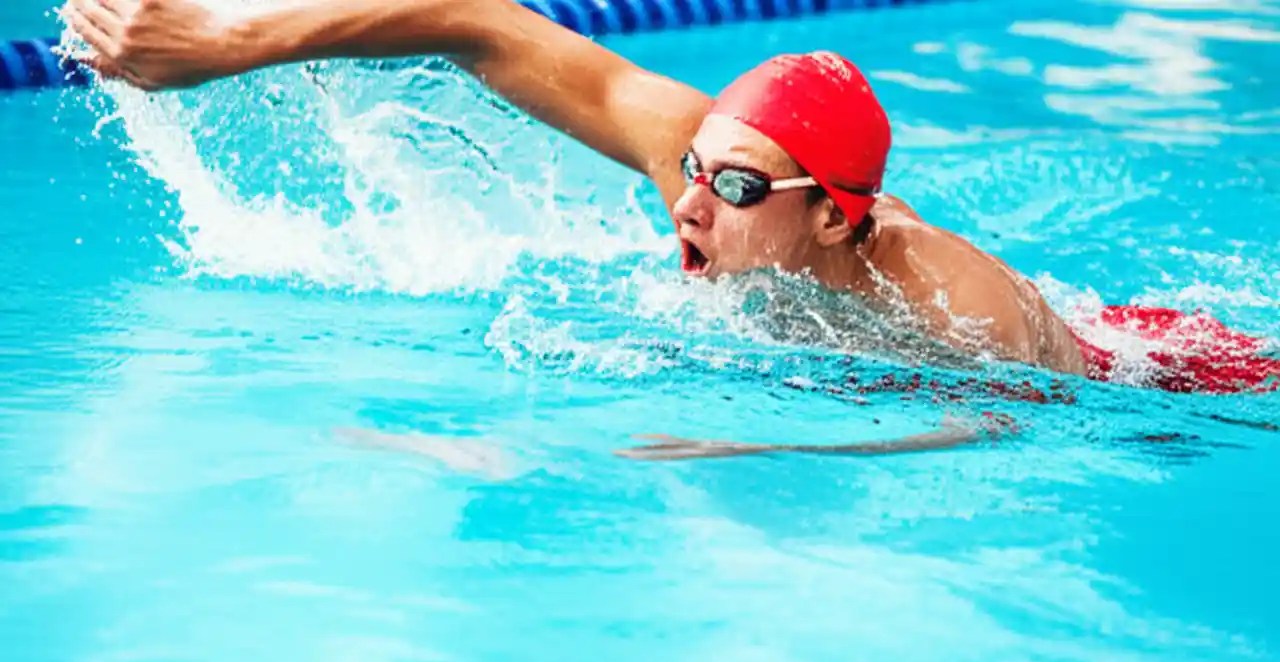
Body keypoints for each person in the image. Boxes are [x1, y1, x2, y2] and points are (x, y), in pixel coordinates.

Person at [65, 0, 1279, 458]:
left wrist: (751, 445)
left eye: (738, 189)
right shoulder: (724, 177)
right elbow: (483, 24)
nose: (692, 205)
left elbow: (990, 425)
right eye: (693, 171)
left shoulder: (952, 304)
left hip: (1175, 380)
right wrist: (229, 43)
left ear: (838, 221)